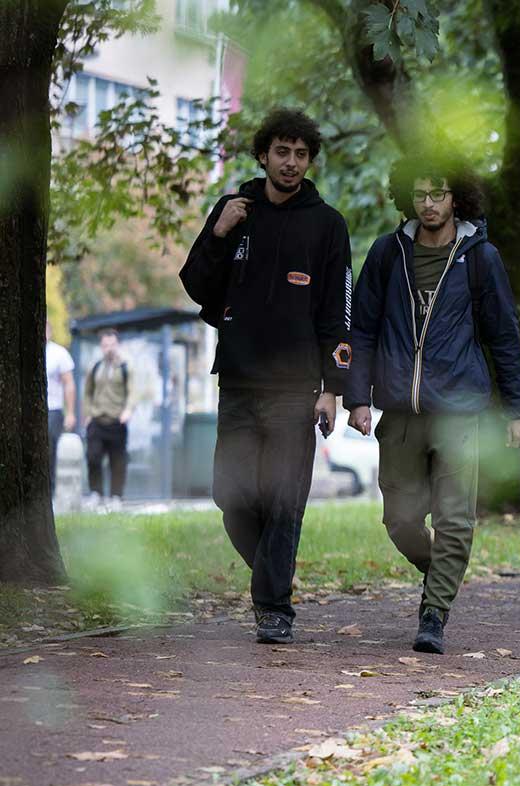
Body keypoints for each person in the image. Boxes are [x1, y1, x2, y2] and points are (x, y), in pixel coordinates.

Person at [346, 155, 520, 655]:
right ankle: (442, 575)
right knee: (400, 521)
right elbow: (362, 328)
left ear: (457, 198)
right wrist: (356, 398)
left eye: (439, 193)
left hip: (459, 412)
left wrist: (518, 407)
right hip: (400, 412)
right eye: (420, 193)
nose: (428, 203)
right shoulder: (387, 253)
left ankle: (434, 613)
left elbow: (503, 335)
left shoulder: (481, 258)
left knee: (454, 519)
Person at [179, 108, 352, 645]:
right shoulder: (234, 210)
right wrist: (219, 233)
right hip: (237, 379)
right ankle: (273, 577)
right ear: (263, 155)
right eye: (282, 152)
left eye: (301, 154)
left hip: (295, 390)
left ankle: (274, 608)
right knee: (230, 496)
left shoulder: (328, 225)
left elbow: (338, 312)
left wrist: (332, 389)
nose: (291, 163)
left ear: (309, 160)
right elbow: (196, 285)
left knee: (283, 499)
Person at [83, 329, 132, 505]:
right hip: (97, 420)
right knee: (93, 458)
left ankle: (116, 496)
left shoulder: (125, 367)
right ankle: (96, 493)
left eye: (112, 344)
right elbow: (87, 392)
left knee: (118, 462)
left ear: (117, 345)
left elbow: (133, 392)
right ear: (101, 346)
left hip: (117, 421)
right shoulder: (95, 367)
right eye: (105, 345)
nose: (109, 348)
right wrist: (88, 413)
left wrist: (128, 410)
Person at [45, 323, 77, 495]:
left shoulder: (59, 353)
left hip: (53, 408)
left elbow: (69, 384)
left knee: (50, 448)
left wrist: (70, 413)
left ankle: (50, 491)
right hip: (32, 411)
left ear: (50, 331)